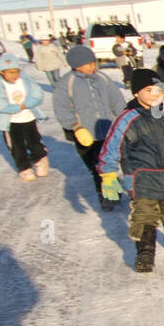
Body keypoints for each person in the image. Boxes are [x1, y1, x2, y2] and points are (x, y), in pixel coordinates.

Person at [97, 68, 164, 272]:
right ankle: (145, 251)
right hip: (142, 180)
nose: (155, 94)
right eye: (148, 90)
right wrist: (108, 174)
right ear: (136, 93)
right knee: (144, 215)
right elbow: (111, 148)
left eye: (159, 90)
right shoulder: (127, 119)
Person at [52, 45, 127, 209]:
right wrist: (75, 126)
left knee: (108, 164)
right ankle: (106, 194)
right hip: (85, 135)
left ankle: (112, 192)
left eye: (93, 62)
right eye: (88, 64)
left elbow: (117, 101)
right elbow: (61, 109)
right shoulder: (67, 83)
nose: (93, 66)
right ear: (76, 65)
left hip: (107, 131)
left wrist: (125, 118)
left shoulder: (102, 78)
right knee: (95, 167)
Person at [0, 52, 50, 181]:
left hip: (28, 117)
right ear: (1, 72)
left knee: (34, 141)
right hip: (10, 121)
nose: (14, 75)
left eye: (16, 72)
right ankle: (24, 167)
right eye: (10, 72)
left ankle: (40, 159)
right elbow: (0, 104)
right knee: (16, 146)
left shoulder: (25, 80)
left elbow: (37, 94)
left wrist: (27, 104)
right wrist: (17, 108)